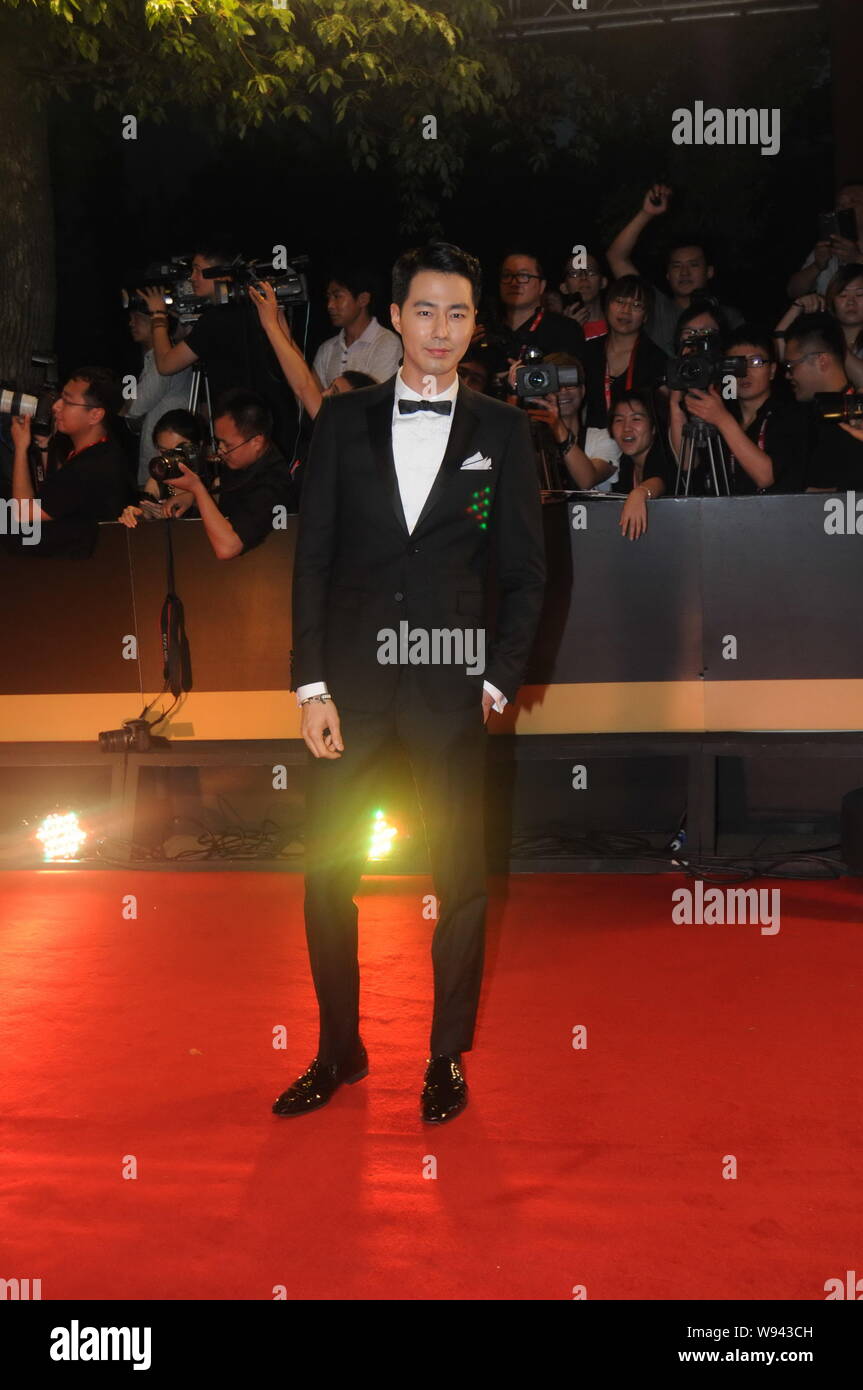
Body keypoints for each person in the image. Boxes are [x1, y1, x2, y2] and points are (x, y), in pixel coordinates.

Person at [276, 240, 546, 1125]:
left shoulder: (505, 433)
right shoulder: (342, 424)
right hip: (350, 688)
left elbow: (526, 571)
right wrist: (309, 685)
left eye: (458, 312)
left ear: (477, 324)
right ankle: (337, 1049)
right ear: (395, 318)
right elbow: (311, 558)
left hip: (450, 690)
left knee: (460, 876)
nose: (440, 329)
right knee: (326, 877)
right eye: (424, 310)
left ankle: (445, 1056)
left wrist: (501, 679)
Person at [137, 245, 297, 457]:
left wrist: (158, 315)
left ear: (220, 272)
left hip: (239, 429)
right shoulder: (260, 308)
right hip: (276, 421)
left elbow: (166, 365)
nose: (192, 278)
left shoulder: (215, 319)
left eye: (198, 270)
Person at [120, 389, 296, 557]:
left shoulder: (273, 483)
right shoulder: (237, 462)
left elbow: (228, 547)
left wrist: (197, 490)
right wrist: (189, 499)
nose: (220, 450)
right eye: (218, 442)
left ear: (256, 441)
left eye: (227, 445)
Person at [8, 367, 135, 556]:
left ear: (95, 415)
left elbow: (23, 515)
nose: (56, 406)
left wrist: (20, 448)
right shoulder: (103, 448)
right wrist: (44, 449)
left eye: (67, 401)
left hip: (75, 567)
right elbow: (54, 495)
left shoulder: (91, 467)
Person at [606, 184, 743, 355]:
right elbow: (616, 256)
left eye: (693, 265)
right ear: (668, 275)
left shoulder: (729, 317)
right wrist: (646, 213)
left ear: (709, 272)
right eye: (677, 266)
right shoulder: (656, 308)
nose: (684, 272)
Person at [670, 328, 805, 494]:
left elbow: (766, 476)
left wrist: (722, 420)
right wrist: (676, 399)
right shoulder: (723, 409)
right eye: (735, 363)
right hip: (722, 515)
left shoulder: (791, 414)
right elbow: (688, 465)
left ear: (772, 370)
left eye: (755, 362)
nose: (745, 372)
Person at [479, 249, 586, 384]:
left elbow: (572, 379)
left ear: (542, 286)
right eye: (507, 275)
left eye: (524, 276)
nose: (514, 282)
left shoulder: (564, 329)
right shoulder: (484, 330)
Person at [781, 313, 862, 491]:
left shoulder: (857, 417)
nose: (787, 375)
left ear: (822, 361)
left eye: (790, 366)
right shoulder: (796, 417)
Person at [520, 352, 621, 490]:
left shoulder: (603, 438)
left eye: (570, 384)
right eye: (555, 385)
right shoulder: (531, 440)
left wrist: (557, 426)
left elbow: (587, 480)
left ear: (582, 390)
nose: (563, 391)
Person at [581, 275, 668, 429]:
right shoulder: (588, 351)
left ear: (645, 316)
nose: (626, 311)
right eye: (620, 302)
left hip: (637, 445)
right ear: (607, 306)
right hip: (593, 446)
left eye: (636, 305)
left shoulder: (656, 358)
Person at [124, 307, 194, 487]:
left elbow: (134, 408)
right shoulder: (153, 358)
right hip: (158, 464)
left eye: (137, 317)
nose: (131, 323)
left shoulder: (164, 358)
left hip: (165, 470)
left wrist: (117, 395)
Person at [311, 264, 402, 389]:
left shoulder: (387, 342)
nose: (330, 305)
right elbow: (312, 400)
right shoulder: (327, 349)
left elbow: (378, 401)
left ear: (363, 299)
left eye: (337, 296)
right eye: (329, 297)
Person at [118, 409, 209, 528]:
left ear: (198, 446)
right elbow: (146, 510)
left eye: (178, 452)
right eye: (164, 452)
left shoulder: (214, 479)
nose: (171, 459)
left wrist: (193, 497)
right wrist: (135, 515)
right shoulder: (158, 482)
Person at [609, 390, 675, 538]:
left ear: (653, 427)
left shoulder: (664, 455)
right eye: (619, 420)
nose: (626, 428)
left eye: (636, 419)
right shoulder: (625, 464)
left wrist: (640, 493)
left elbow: (660, 479)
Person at [786, 179, 863, 300]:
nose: (844, 206)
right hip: (829, 317)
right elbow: (793, 292)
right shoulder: (830, 244)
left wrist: (857, 259)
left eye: (853, 201)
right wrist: (817, 266)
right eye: (839, 203)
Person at [544, 249, 608, 339]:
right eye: (574, 274)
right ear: (564, 287)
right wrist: (567, 330)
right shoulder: (552, 330)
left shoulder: (618, 324)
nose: (583, 277)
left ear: (603, 282)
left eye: (591, 272)